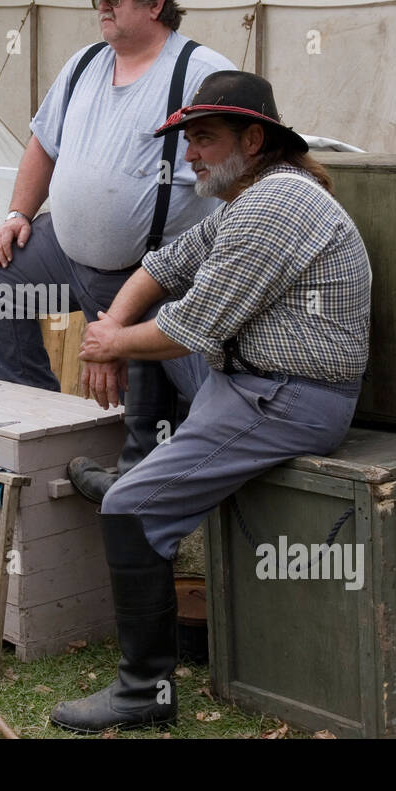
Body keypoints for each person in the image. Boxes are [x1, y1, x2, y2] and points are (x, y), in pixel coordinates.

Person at [50, 70, 373, 733]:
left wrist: (111, 345)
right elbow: (163, 267)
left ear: (253, 139)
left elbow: (188, 328)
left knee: (129, 510)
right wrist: (111, 327)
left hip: (288, 398)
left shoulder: (276, 205)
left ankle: (145, 694)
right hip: (248, 378)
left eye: (203, 138)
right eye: (188, 140)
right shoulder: (249, 198)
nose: (189, 155)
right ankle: (140, 467)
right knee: (147, 332)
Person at [0, 0, 237, 485]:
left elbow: (248, 161)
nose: (102, 7)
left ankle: (179, 484)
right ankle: (39, 427)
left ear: (155, 3)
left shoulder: (201, 72)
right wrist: (19, 213)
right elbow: (43, 144)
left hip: (158, 272)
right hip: (67, 256)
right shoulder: (84, 64)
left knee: (211, 392)